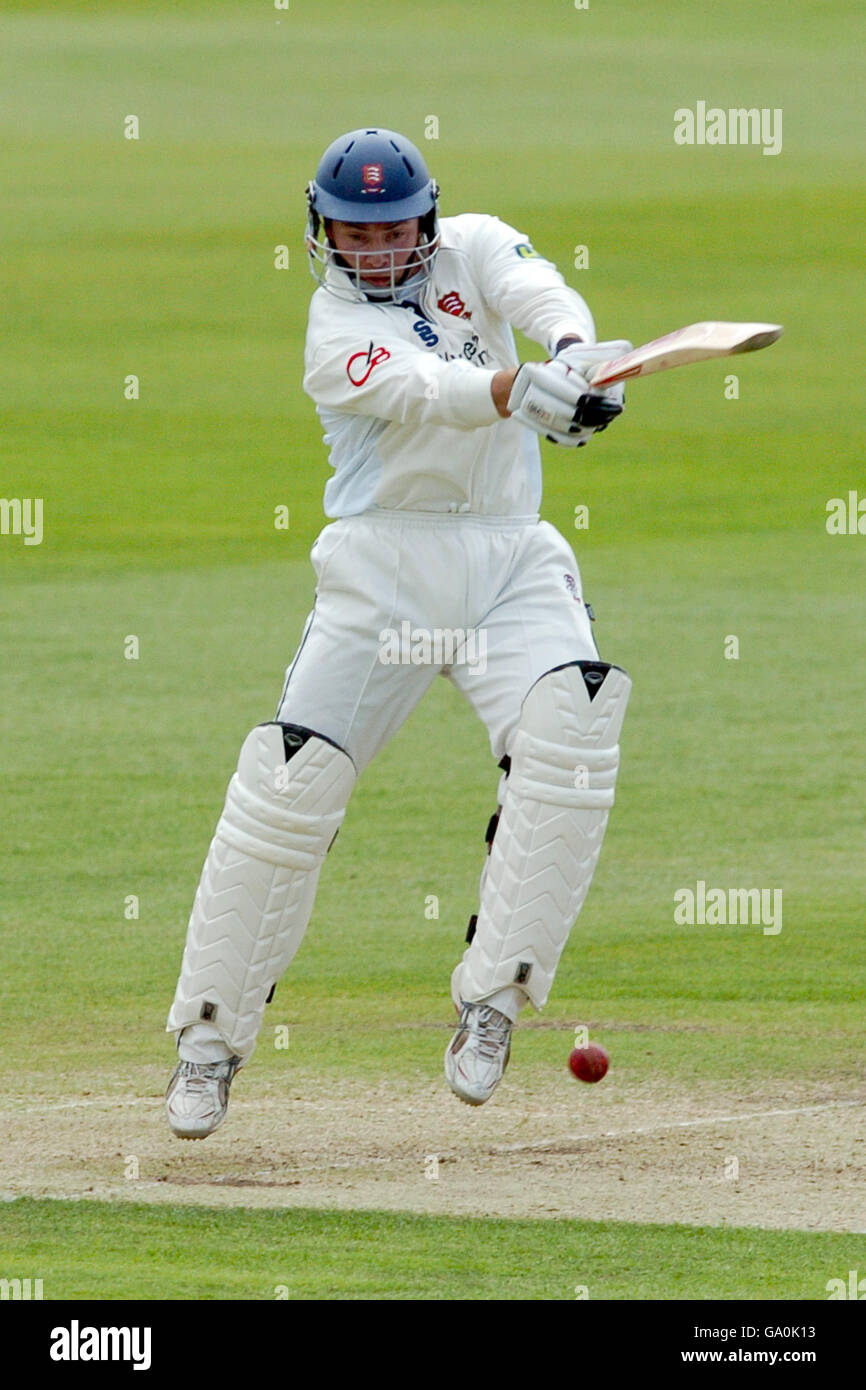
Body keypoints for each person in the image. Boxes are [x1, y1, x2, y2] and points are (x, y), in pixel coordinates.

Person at [164, 127, 632, 1139]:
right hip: (384, 568)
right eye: (351, 233)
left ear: (424, 219)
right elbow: (435, 393)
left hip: (510, 556)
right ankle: (208, 1042)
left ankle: (492, 1002)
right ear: (322, 232)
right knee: (291, 784)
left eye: (391, 232)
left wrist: (572, 357)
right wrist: (520, 390)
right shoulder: (332, 331)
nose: (373, 252)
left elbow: (541, 299)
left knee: (574, 722)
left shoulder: (474, 243)